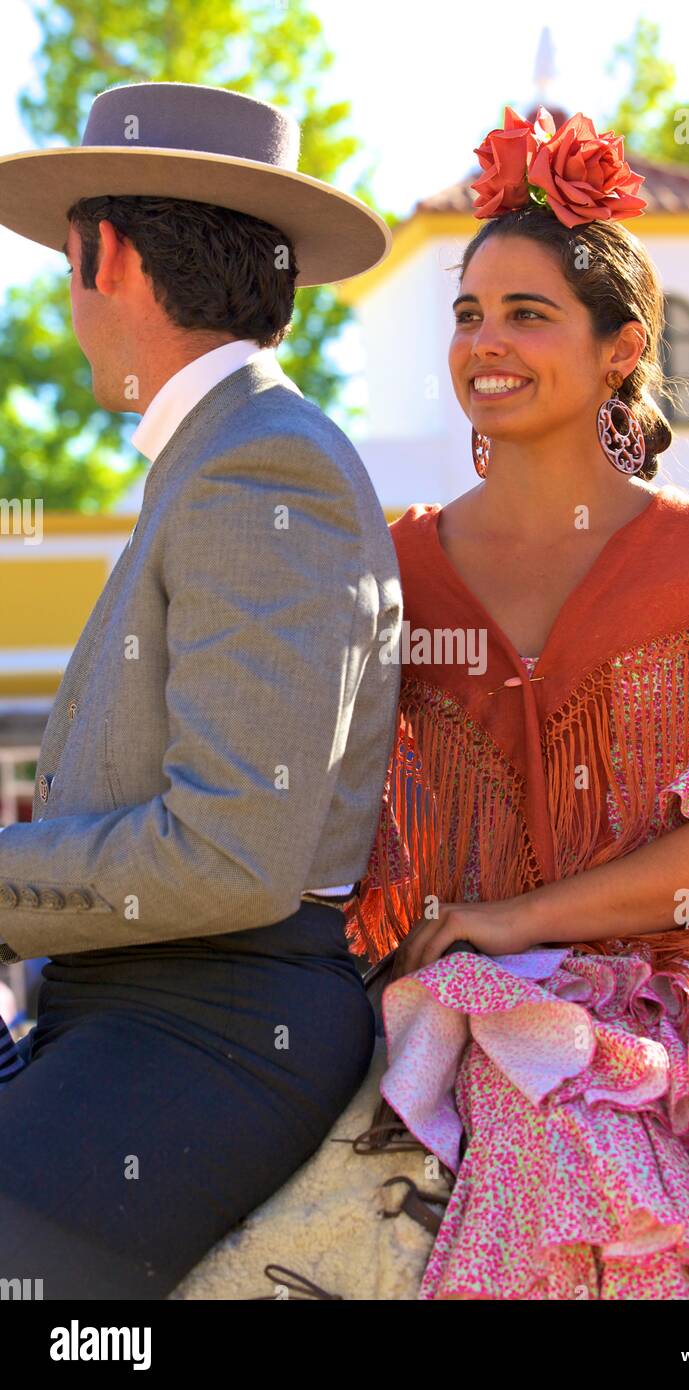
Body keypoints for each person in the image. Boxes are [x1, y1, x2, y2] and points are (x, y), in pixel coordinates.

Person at [345, 105, 689, 1301]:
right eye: (468, 313)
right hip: (488, 1000)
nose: (486, 341)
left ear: (621, 349)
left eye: (528, 314)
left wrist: (518, 916)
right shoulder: (393, 563)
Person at [0, 81, 401, 1297]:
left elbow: (232, 852)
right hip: (157, 1009)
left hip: (211, 1023)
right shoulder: (222, 454)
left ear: (102, 253)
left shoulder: (257, 464)